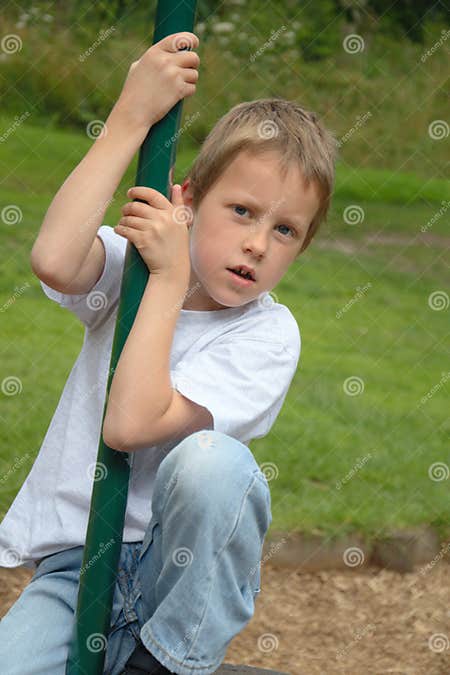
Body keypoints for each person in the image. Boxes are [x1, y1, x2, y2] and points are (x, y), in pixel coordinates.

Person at [0, 29, 337, 675]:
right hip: (78, 570)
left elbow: (131, 424)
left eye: (285, 229)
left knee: (217, 463)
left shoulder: (266, 334)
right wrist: (131, 115)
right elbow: (55, 256)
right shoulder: (131, 271)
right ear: (188, 200)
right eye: (241, 210)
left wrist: (171, 278)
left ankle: (166, 660)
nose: (258, 244)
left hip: (173, 574)